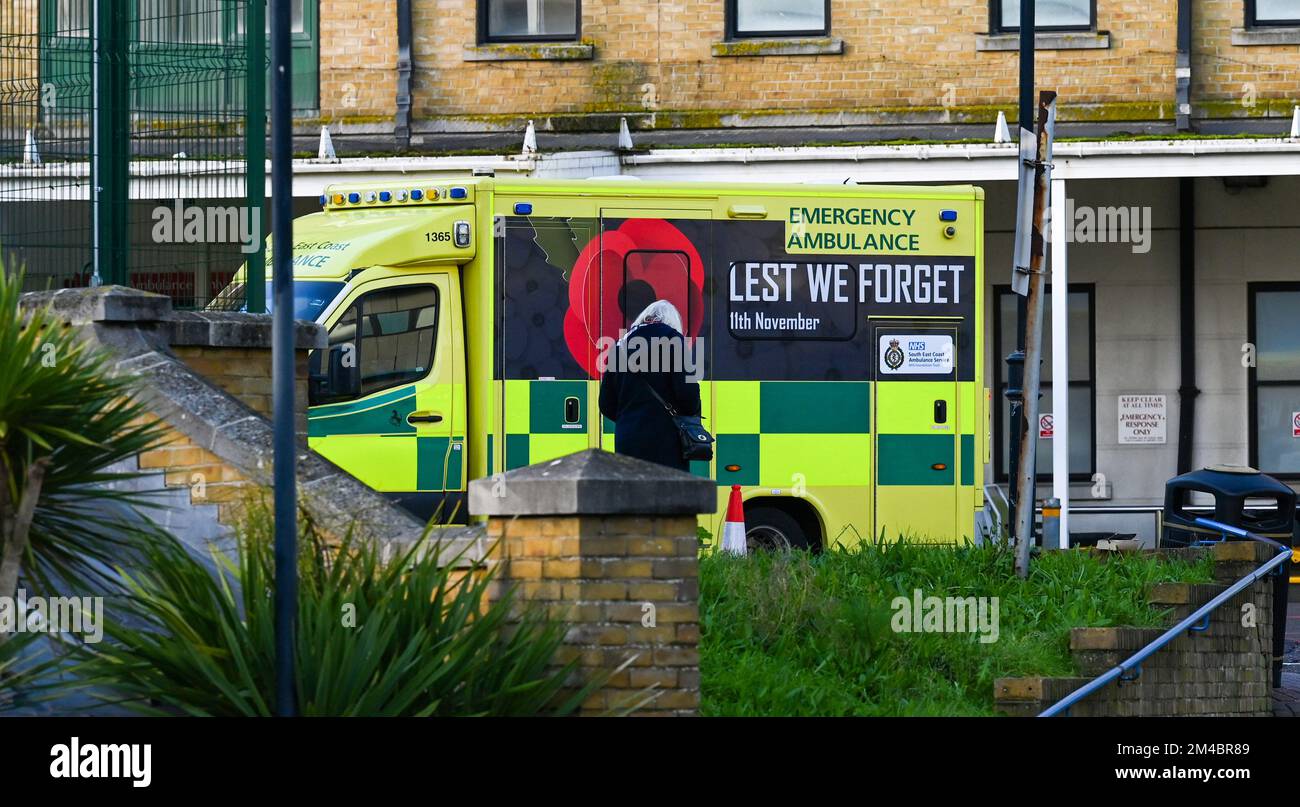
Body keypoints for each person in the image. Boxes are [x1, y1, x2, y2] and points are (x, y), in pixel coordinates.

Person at [598, 300, 701, 472]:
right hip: (667, 440)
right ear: (673, 321)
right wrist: (689, 412)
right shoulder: (673, 339)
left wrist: (629, 420)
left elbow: (606, 403)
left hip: (628, 438)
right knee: (667, 494)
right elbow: (687, 393)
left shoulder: (621, 345)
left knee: (633, 494)